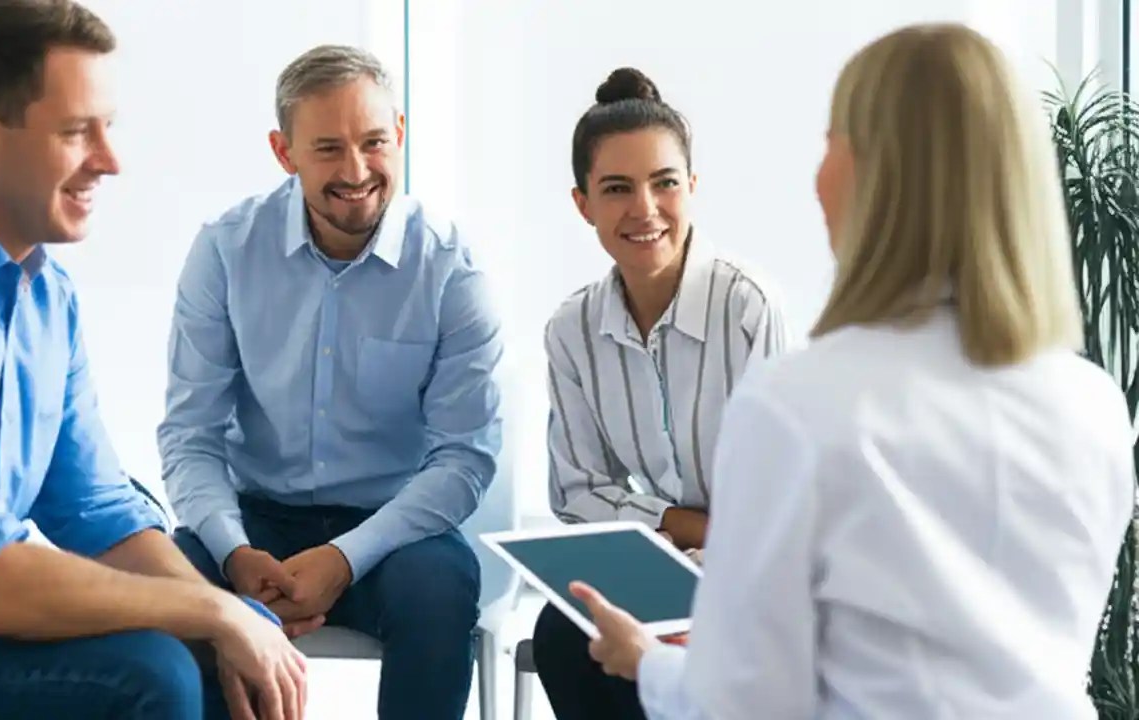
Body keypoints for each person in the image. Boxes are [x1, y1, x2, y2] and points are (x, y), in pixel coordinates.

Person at [572, 22, 1135, 720]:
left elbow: (746, 704)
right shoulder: (1093, 405)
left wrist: (647, 662)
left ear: (877, 175)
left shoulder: (797, 408)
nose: (817, 178)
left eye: (831, 141)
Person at [0, 2, 307, 719]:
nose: (109, 159)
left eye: (108, 127)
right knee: (152, 670)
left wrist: (231, 618)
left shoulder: (47, 296)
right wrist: (210, 611)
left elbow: (96, 512)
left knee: (239, 644)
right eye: (75, 132)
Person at [158, 44, 502, 720]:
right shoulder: (226, 250)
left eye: (374, 142)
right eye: (327, 149)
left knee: (439, 591)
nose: (356, 170)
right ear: (283, 152)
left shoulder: (451, 269)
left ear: (399, 133)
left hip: (394, 528)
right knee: (175, 584)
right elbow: (190, 435)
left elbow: (464, 459)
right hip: (256, 521)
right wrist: (234, 552)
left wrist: (343, 559)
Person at [532, 67, 788, 720]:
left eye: (665, 183)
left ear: (692, 188)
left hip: (754, 570)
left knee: (691, 644)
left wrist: (693, 538)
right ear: (583, 204)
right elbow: (577, 494)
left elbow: (776, 498)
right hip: (662, 563)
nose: (644, 209)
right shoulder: (571, 329)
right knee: (563, 631)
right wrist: (682, 527)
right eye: (616, 189)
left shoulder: (746, 307)